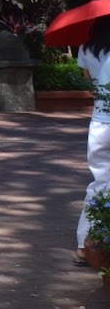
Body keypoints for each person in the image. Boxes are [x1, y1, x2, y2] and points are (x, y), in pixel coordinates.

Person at [76, 17, 110, 262]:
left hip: (99, 120)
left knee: (99, 183)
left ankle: (84, 243)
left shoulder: (86, 49)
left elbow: (89, 81)